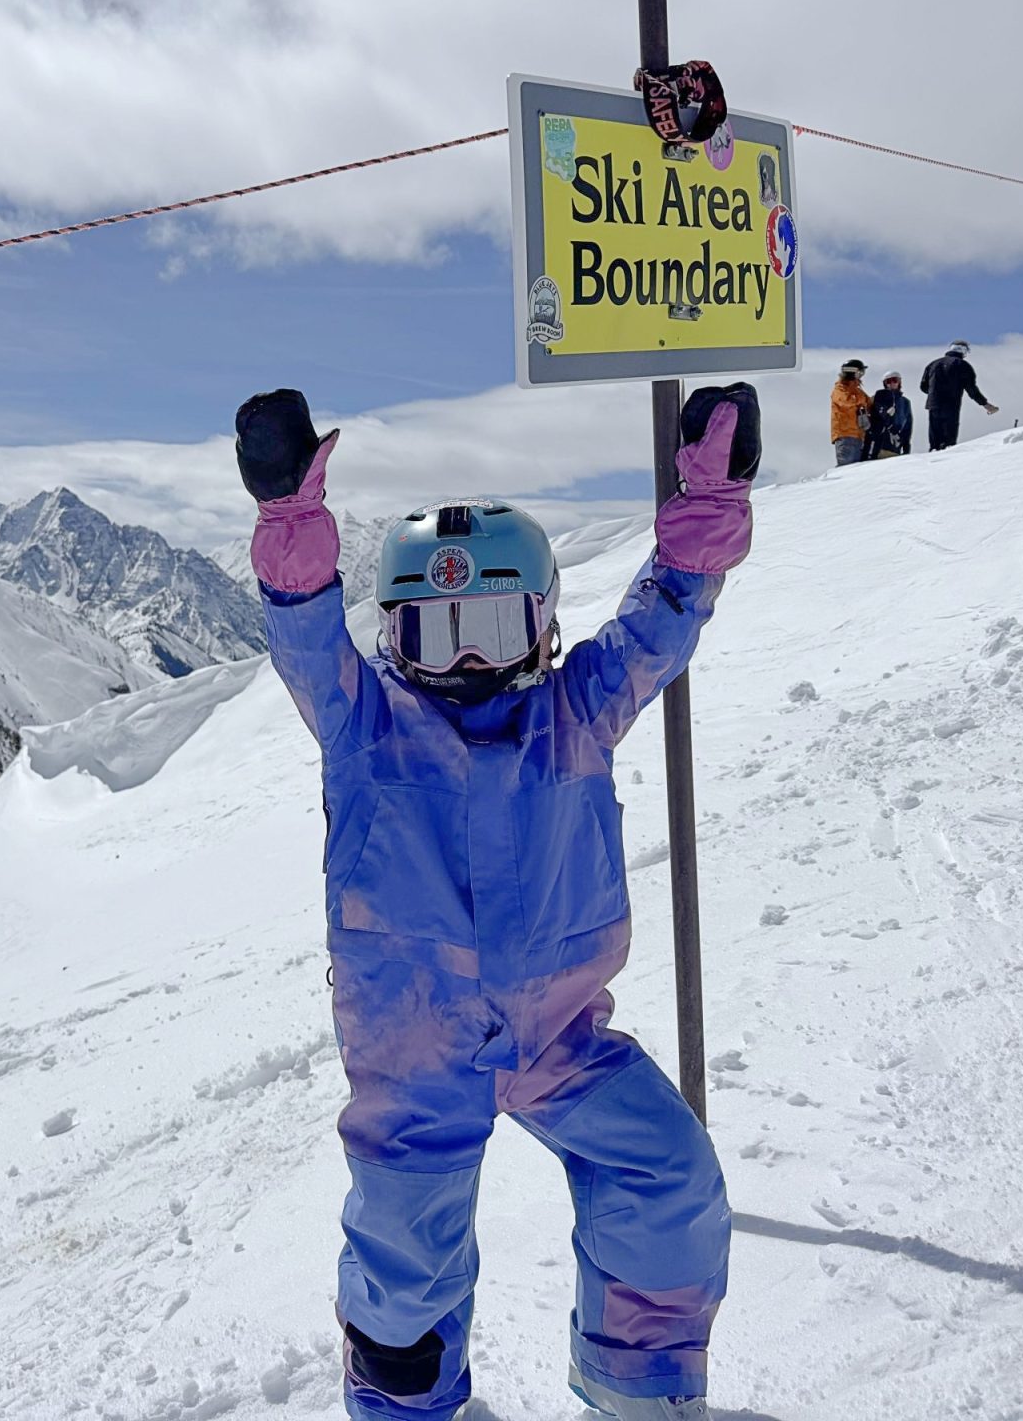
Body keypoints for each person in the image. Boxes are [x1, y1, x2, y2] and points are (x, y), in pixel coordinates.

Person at [236, 384, 757, 1421]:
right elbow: (302, 641)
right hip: (414, 1054)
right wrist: (289, 529)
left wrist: (701, 522)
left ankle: (639, 1384)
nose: (464, 660)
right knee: (403, 1275)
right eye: (434, 634)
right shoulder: (363, 729)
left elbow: (658, 627)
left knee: (666, 1179)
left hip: (561, 1034)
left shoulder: (573, 713)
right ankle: (408, 1407)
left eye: (489, 627)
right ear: (391, 637)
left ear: (542, 626)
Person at [919, 339, 999, 451]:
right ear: (964, 351)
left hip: (933, 405)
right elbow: (971, 389)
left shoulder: (932, 364)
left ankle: (933, 461)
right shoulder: (963, 365)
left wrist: (935, 392)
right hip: (951, 405)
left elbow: (923, 387)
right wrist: (985, 404)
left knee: (934, 442)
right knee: (948, 443)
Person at [830, 359, 872, 466]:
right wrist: (860, 402)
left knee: (857, 470)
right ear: (853, 372)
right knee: (847, 469)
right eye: (860, 372)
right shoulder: (840, 389)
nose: (861, 375)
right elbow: (845, 403)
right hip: (845, 435)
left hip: (859, 435)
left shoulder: (857, 391)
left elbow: (869, 403)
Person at [866, 371, 914, 459]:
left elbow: (908, 425)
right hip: (879, 446)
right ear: (885, 384)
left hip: (895, 447)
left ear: (899, 382)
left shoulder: (905, 402)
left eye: (895, 380)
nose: (892, 383)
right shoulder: (877, 399)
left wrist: (906, 446)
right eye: (888, 381)